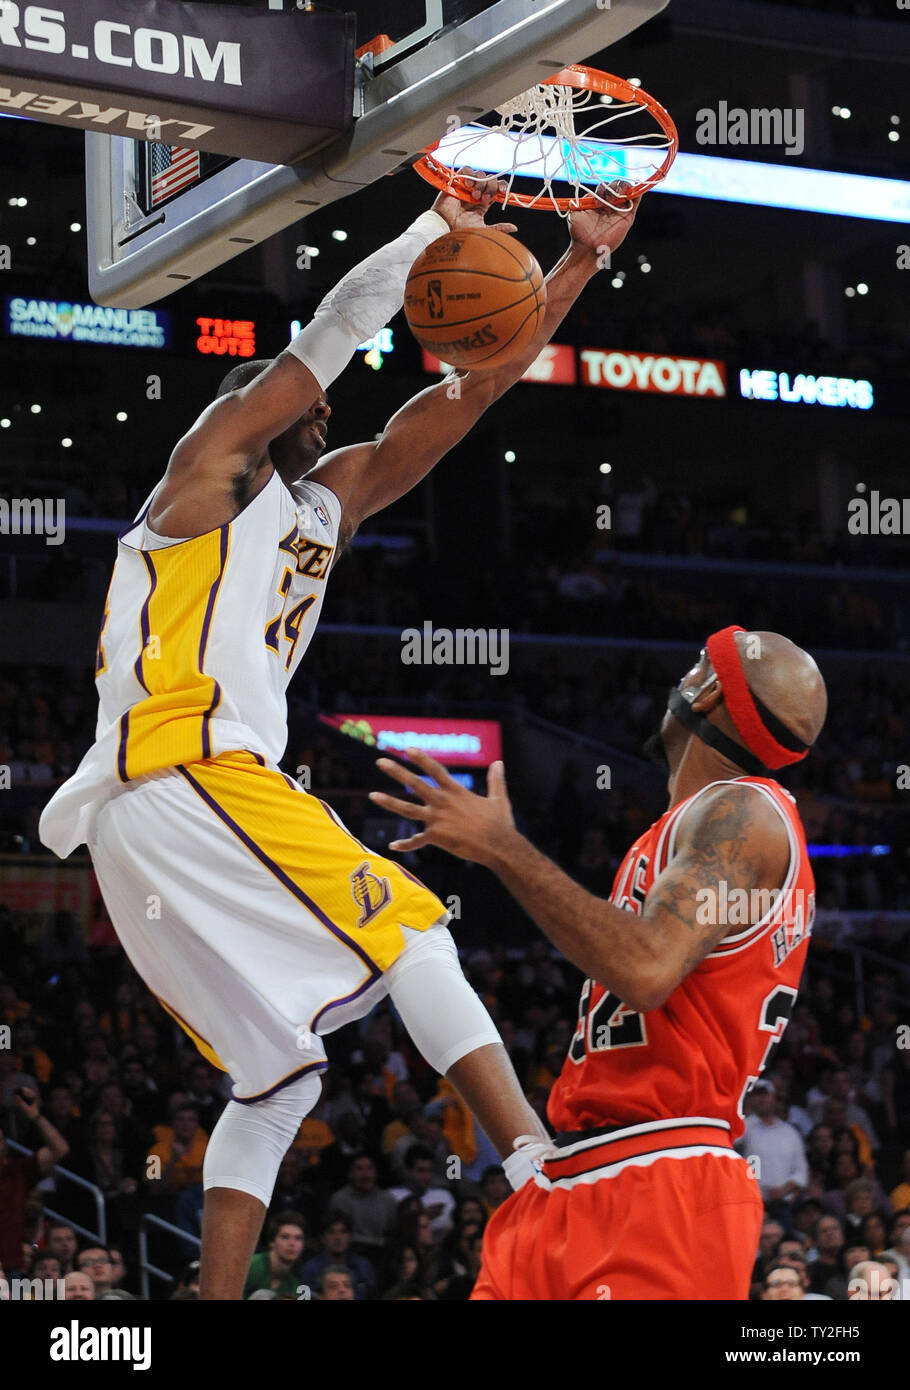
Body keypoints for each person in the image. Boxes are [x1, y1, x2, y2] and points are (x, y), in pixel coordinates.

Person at [38, 168, 641, 1301]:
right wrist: (437, 228)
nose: (324, 411)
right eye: (303, 404)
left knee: (275, 1084)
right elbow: (323, 340)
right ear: (260, 410)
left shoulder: (329, 502)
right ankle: (533, 1165)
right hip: (186, 774)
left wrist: (575, 264)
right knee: (414, 930)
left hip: (159, 820)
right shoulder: (200, 484)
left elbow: (471, 390)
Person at [373, 627, 828, 1300]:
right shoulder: (685, 830)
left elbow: (646, 970)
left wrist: (504, 849)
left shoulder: (745, 812)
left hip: (668, 1179)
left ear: (704, 693)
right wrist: (532, 1154)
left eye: (693, 665)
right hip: (580, 1170)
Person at [0, 1089, 69, 1277]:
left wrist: (36, 1116)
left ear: (4, 1146)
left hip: (9, 1266)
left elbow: (59, 1149)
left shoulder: (17, 1171)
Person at [737, 1079, 808, 1217]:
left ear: (774, 1098)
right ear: (750, 1099)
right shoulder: (742, 1128)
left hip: (785, 1203)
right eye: (756, 1095)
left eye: (765, 1094)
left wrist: (784, 1190)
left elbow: (801, 1170)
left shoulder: (789, 1132)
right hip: (751, 1201)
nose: (761, 1099)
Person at [329, 1154, 398, 1256]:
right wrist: (377, 1242)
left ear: (375, 1173)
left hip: (383, 1254)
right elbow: (340, 1235)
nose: (365, 1174)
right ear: (350, 1174)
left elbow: (393, 1233)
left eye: (369, 1168)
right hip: (350, 1254)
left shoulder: (388, 1199)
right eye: (359, 1169)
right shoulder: (340, 1200)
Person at [299, 1213, 374, 1301]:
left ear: (350, 1237)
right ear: (322, 1238)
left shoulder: (364, 1266)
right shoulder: (310, 1269)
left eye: (343, 1232)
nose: (338, 1237)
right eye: (331, 1232)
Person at [243, 1211, 306, 1299]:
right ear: (272, 1242)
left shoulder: (294, 1284)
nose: (292, 1243)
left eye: (298, 1238)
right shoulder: (252, 1266)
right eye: (285, 1237)